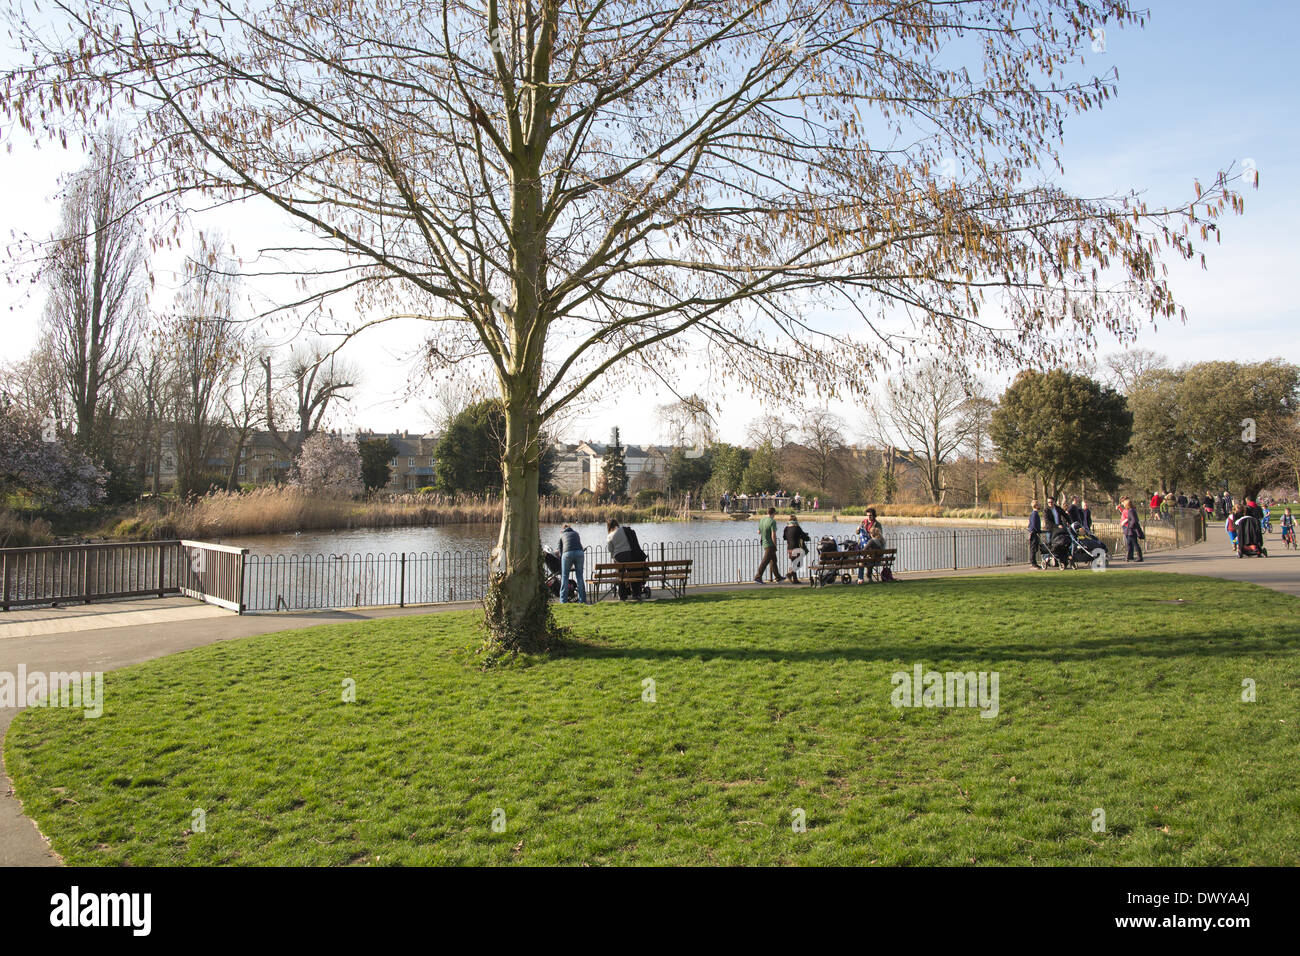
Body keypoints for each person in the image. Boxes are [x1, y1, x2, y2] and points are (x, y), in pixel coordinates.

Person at [606, 519, 649, 600]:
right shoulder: (623, 530)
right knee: (632, 572)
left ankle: (622, 595)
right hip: (630, 555)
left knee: (621, 574)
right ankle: (636, 593)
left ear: (609, 527)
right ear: (617, 524)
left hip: (618, 557)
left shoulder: (609, 536)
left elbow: (610, 549)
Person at [557, 524, 587, 604]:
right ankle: (582, 600)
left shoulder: (562, 534)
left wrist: (561, 559)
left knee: (565, 577)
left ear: (563, 529)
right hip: (580, 553)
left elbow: (560, 550)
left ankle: (563, 601)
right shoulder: (576, 533)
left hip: (567, 554)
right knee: (580, 577)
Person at [783, 513, 811, 583]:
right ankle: (789, 574)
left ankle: (795, 580)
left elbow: (784, 537)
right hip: (797, 548)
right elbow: (805, 537)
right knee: (799, 564)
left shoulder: (786, 528)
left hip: (789, 549)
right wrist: (807, 537)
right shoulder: (797, 528)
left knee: (794, 563)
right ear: (796, 520)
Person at [754, 507, 780, 583]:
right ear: (773, 513)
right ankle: (758, 577)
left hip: (764, 542)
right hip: (770, 544)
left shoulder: (762, 519)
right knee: (765, 561)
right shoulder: (772, 521)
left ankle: (778, 577)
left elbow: (758, 531)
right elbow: (773, 534)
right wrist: (775, 544)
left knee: (774, 560)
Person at [1120, 497, 1144, 562]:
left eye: (1124, 504)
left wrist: (1130, 526)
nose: (1123, 505)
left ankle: (1140, 557)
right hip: (1130, 530)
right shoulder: (1131, 510)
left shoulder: (1131, 511)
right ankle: (1129, 556)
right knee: (1129, 544)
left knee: (1135, 544)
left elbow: (1134, 520)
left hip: (1131, 530)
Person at [1028, 499, 1044, 569]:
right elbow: (1034, 525)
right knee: (1033, 548)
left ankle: (1034, 562)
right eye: (1039, 504)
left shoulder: (1035, 513)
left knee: (1035, 548)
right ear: (1036, 506)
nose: (1040, 505)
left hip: (1034, 533)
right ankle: (1033, 563)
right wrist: (1038, 531)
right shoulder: (1034, 514)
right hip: (1034, 533)